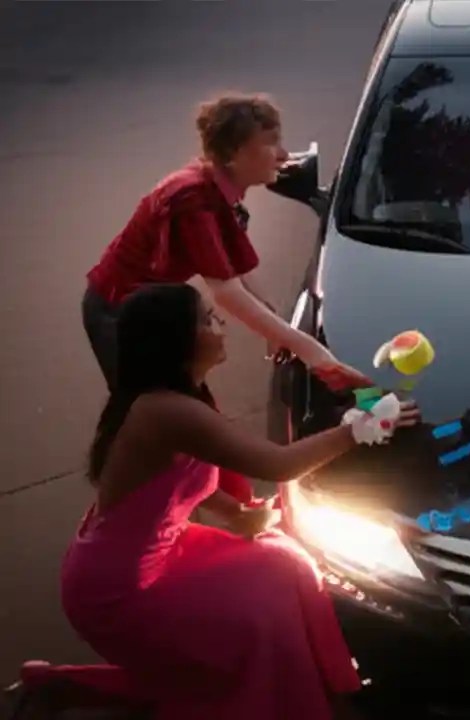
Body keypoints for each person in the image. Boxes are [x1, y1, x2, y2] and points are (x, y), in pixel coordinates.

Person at [61, 283, 420, 719]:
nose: (222, 326)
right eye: (209, 320)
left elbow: (178, 481)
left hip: (155, 554)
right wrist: (361, 427)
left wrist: (237, 515)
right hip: (120, 590)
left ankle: (306, 689)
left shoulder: (177, 400)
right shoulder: (168, 410)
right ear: (177, 339)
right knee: (263, 620)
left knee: (284, 565)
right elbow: (277, 465)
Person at [83, 93, 369, 395]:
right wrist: (312, 352)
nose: (284, 155)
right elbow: (227, 291)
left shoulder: (215, 188)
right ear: (234, 152)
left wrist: (277, 328)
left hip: (156, 313)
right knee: (147, 414)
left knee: (188, 412)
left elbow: (238, 268)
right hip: (120, 315)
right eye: (270, 143)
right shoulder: (193, 199)